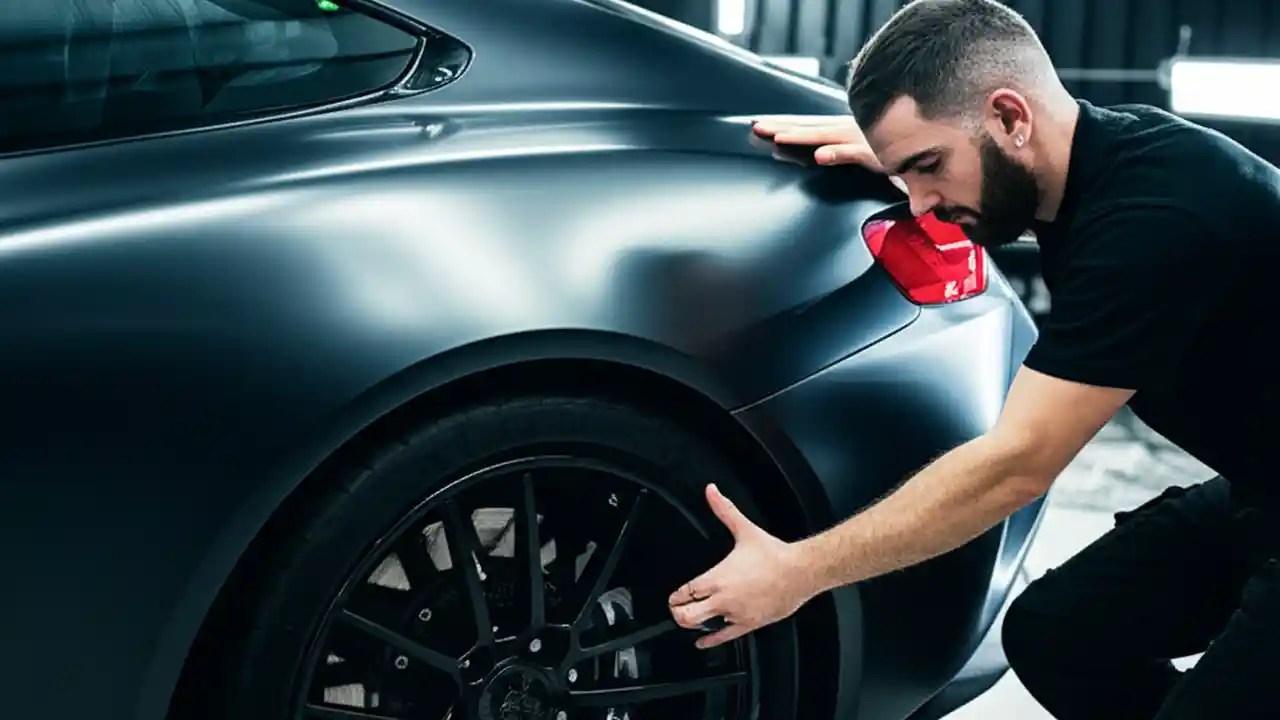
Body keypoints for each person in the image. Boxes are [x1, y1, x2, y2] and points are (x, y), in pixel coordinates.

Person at [667, 0, 1280, 717]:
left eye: (930, 167)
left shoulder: (1159, 221)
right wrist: (907, 158)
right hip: (1261, 491)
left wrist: (797, 570)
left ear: (1012, 117)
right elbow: (1001, 181)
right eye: (907, 174)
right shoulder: (1093, 162)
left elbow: (1014, 466)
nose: (922, 204)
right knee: (1058, 633)